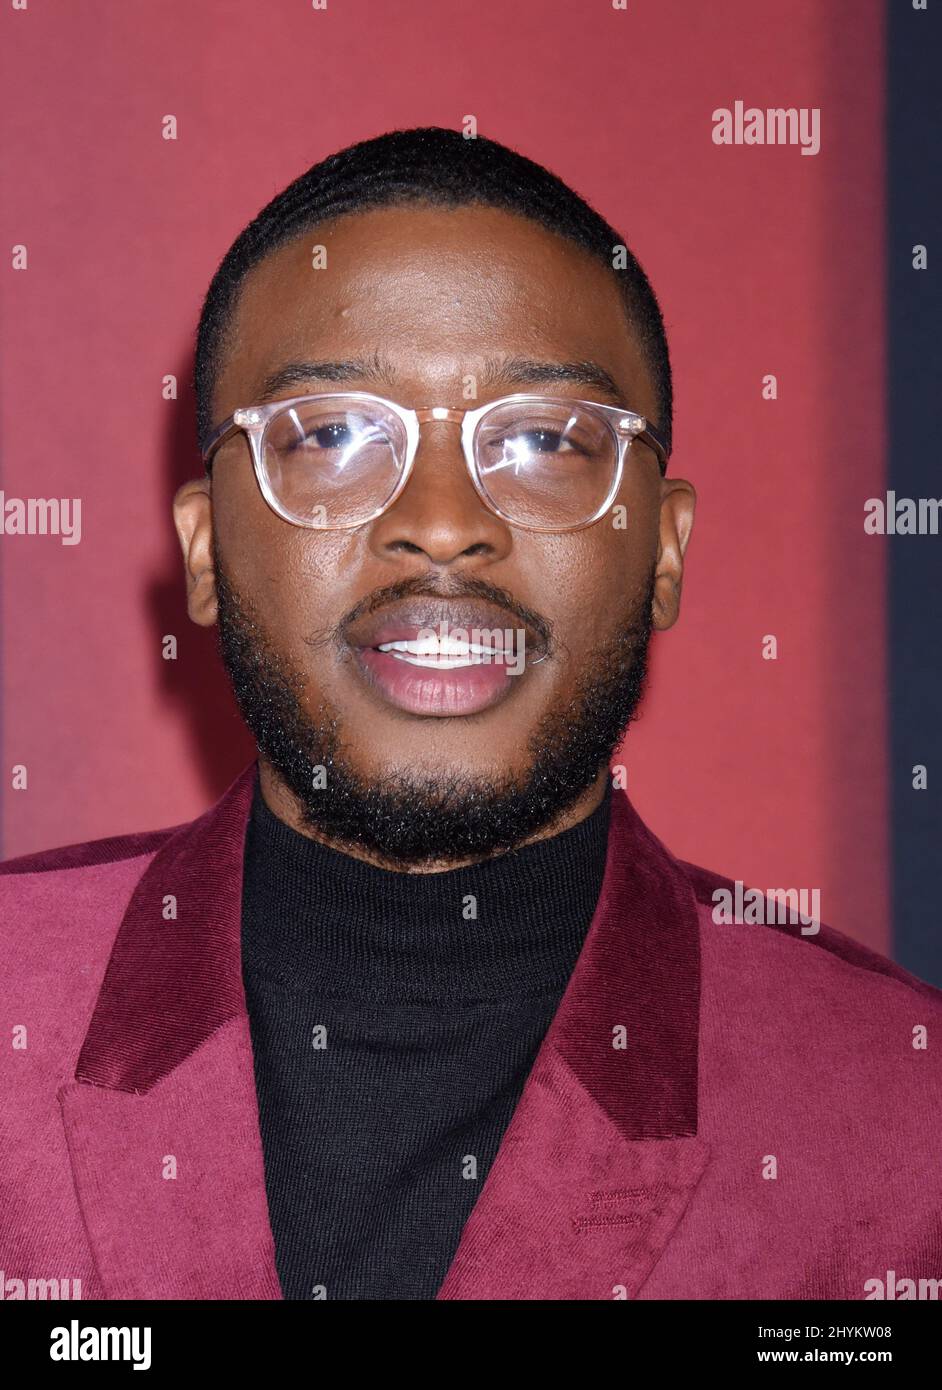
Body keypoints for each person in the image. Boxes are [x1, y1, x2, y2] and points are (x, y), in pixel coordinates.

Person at [2, 128, 940, 1302]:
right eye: (334, 434)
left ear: (664, 548)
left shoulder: (906, 1122)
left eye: (545, 439)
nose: (442, 522)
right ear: (203, 549)